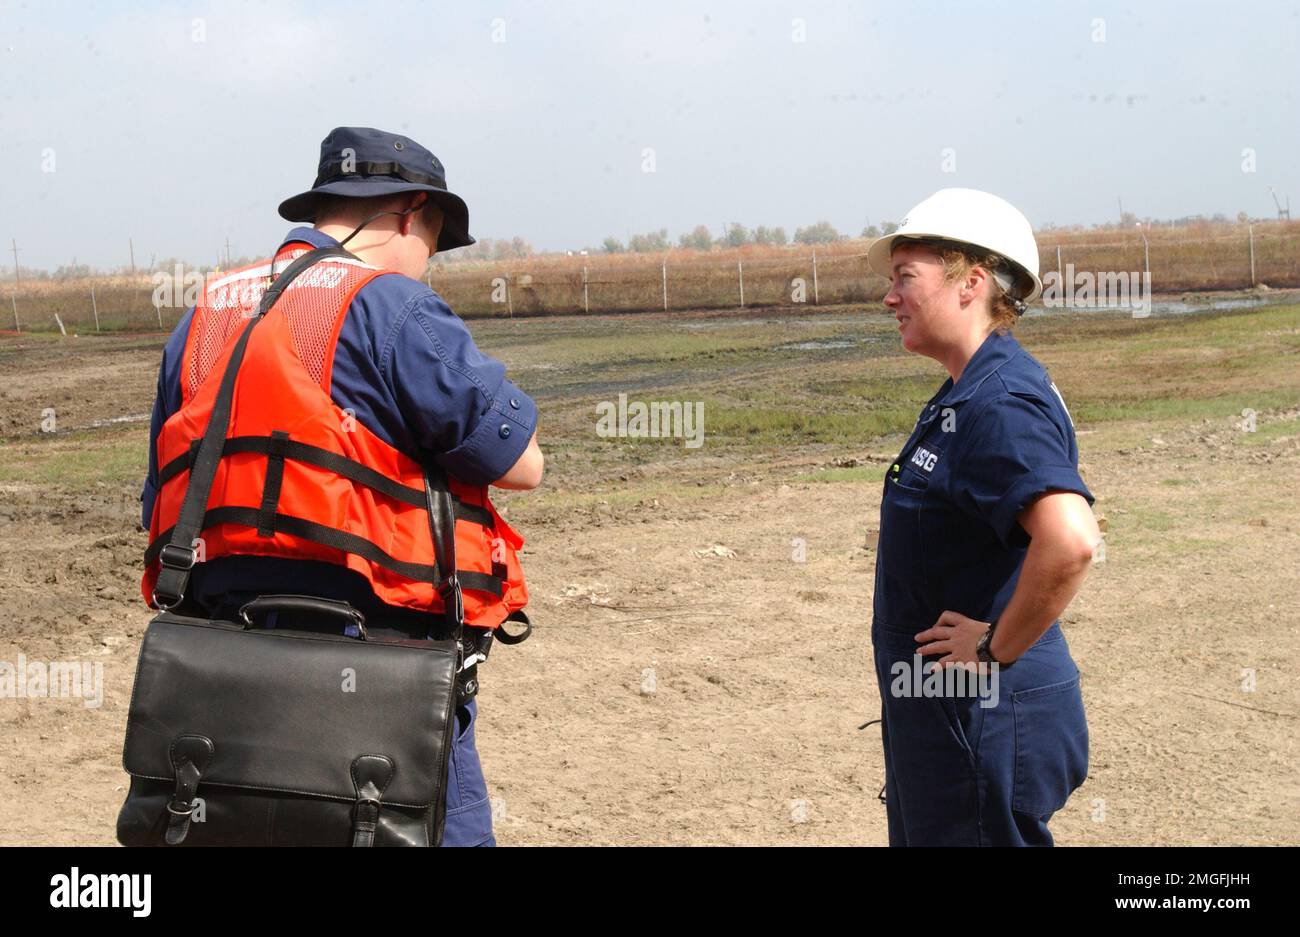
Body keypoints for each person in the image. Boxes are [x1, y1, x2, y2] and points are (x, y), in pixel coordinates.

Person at [139, 126, 542, 847]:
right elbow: (522, 462)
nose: (428, 266)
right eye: (434, 240)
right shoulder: (394, 307)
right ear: (409, 213)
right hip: (384, 674)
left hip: (225, 680)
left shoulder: (203, 313)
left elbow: (160, 504)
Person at [865, 188, 1101, 846]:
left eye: (905, 278)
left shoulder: (999, 398)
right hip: (950, 717)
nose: (890, 298)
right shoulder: (967, 388)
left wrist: (994, 645)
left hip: (985, 716)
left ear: (971, 281)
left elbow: (1072, 540)